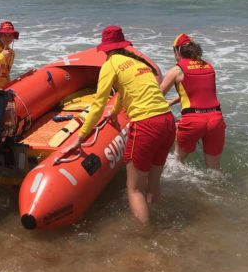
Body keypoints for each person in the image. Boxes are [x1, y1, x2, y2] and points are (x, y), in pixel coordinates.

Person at [61, 26, 175, 226]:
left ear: (105, 49)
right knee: (153, 182)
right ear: (123, 45)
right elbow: (125, 92)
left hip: (145, 124)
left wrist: (79, 139)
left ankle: (146, 240)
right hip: (167, 121)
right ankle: (160, 223)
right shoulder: (138, 63)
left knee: (134, 189)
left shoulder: (111, 64)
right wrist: (115, 114)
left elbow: (98, 104)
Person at [160, 33, 226, 170]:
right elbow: (199, 92)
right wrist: (172, 101)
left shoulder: (177, 70)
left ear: (177, 51)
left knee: (177, 163)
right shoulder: (208, 66)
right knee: (214, 170)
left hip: (193, 121)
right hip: (216, 119)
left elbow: (156, 95)